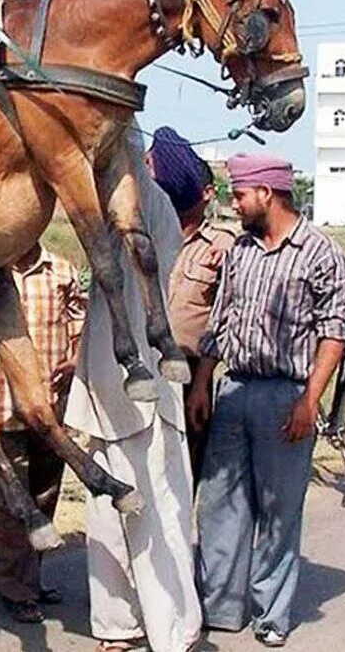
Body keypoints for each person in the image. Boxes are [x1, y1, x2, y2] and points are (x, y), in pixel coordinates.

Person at [189, 153, 345, 648]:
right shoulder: (239, 250)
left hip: (286, 396)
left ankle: (271, 614)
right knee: (219, 506)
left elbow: (333, 334)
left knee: (279, 509)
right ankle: (220, 607)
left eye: (240, 195)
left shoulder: (322, 253)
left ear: (268, 193)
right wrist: (202, 383)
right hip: (234, 390)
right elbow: (221, 322)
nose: (234, 203)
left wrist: (310, 400)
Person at [65, 125, 203, 652]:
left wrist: (109, 115)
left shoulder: (150, 204)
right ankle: (118, 627)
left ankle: (171, 633)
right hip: (111, 388)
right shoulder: (120, 207)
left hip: (142, 386)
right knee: (106, 513)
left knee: (157, 513)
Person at [0, 241, 86, 624]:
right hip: (1, 403)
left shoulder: (61, 271)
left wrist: (75, 356)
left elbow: (79, 320)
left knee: (45, 494)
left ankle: (32, 578)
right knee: (13, 503)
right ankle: (14, 588)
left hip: (49, 408)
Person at [147, 127, 236, 485]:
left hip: (189, 372)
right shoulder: (150, 237)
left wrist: (201, 384)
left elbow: (221, 322)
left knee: (183, 471)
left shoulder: (222, 246)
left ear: (208, 193)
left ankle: (180, 541)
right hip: (145, 366)